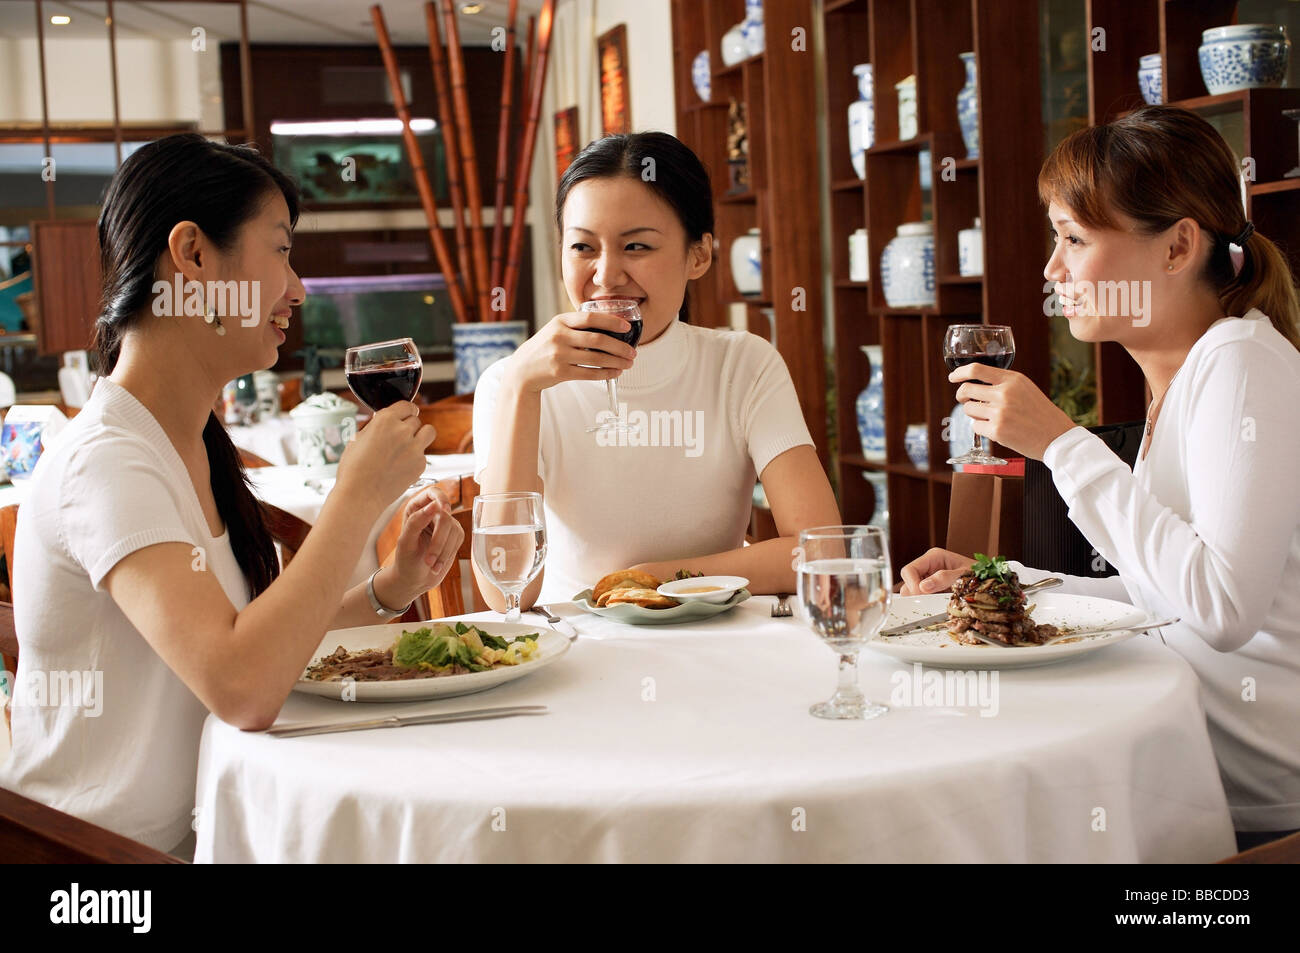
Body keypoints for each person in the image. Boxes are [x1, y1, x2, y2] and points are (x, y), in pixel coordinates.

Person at [0, 134, 463, 857]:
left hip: (222, 828)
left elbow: (252, 641)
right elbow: (243, 686)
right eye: (280, 251)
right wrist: (355, 495)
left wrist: (386, 587)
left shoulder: (189, 442)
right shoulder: (107, 462)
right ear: (191, 256)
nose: (299, 288)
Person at [899, 106, 1300, 851]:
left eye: (1075, 239)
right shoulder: (1185, 381)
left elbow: (1221, 609)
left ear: (1178, 245)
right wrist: (1010, 579)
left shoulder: (1242, 364)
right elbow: (1166, 595)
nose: (1053, 269)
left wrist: (1061, 443)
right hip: (1190, 771)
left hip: (1266, 811)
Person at [472, 132, 840, 607]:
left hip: (721, 639)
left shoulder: (743, 365)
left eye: (637, 247)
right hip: (577, 652)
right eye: (583, 247)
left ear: (699, 255)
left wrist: (653, 581)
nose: (605, 275)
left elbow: (824, 550)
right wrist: (523, 388)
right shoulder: (510, 382)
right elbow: (507, 594)